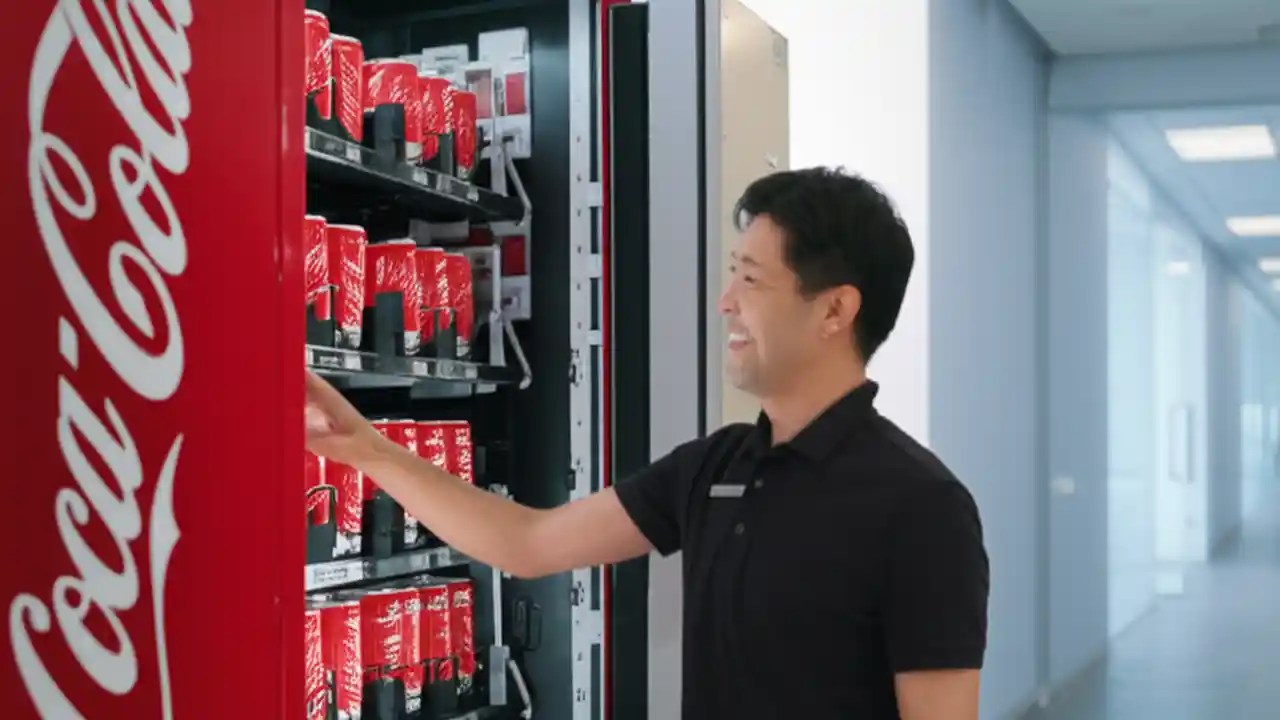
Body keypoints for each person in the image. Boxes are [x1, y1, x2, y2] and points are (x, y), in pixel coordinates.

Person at [305, 167, 989, 720]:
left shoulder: (921, 506)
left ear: (836, 310)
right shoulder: (716, 465)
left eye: (750, 279)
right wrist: (366, 450)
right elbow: (529, 544)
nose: (726, 301)